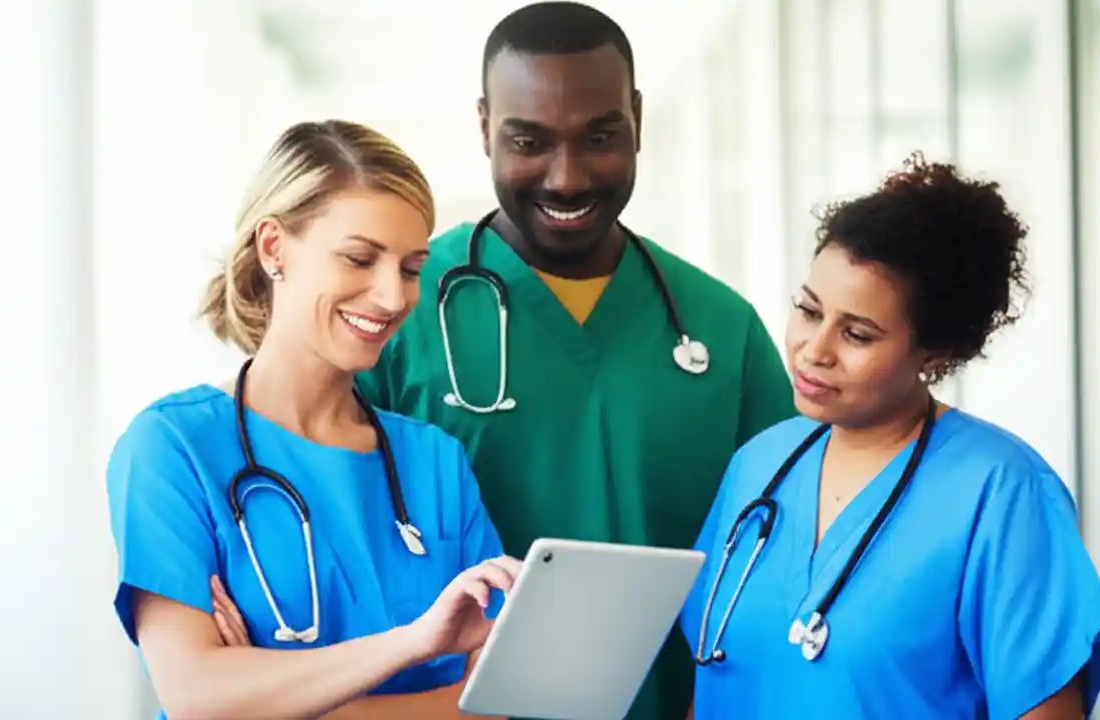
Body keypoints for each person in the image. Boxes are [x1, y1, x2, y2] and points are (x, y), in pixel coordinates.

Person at [344, 4, 796, 718]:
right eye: (529, 141)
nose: (567, 177)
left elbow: (787, 549)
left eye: (600, 137)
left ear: (638, 122)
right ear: (484, 127)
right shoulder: (398, 308)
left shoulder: (721, 325)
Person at [104, 119, 522, 720]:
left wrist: (282, 699)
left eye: (409, 268)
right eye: (359, 258)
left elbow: (495, 705)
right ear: (273, 246)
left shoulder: (434, 462)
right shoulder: (174, 448)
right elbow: (197, 695)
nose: (391, 297)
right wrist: (415, 645)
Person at [680, 154, 1100, 719]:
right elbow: (712, 681)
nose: (816, 351)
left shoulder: (1002, 492)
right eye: (809, 312)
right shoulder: (759, 466)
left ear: (935, 353)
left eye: (858, 334)